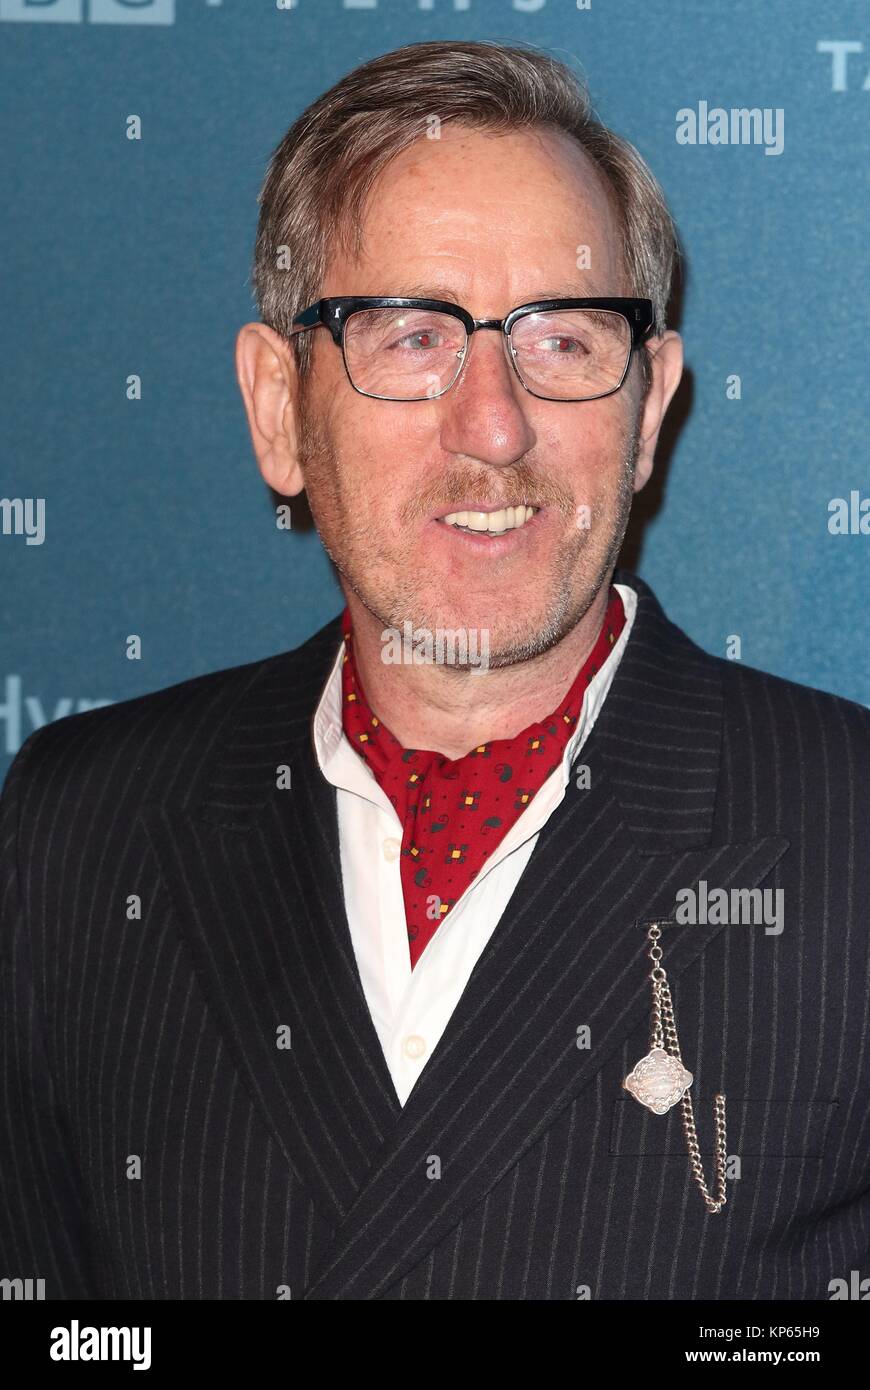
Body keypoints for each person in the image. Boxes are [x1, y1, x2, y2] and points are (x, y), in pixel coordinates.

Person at [1, 39, 868, 1303]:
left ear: (649, 408)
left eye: (565, 342)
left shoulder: (847, 832)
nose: (496, 424)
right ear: (279, 412)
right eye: (412, 337)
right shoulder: (77, 834)